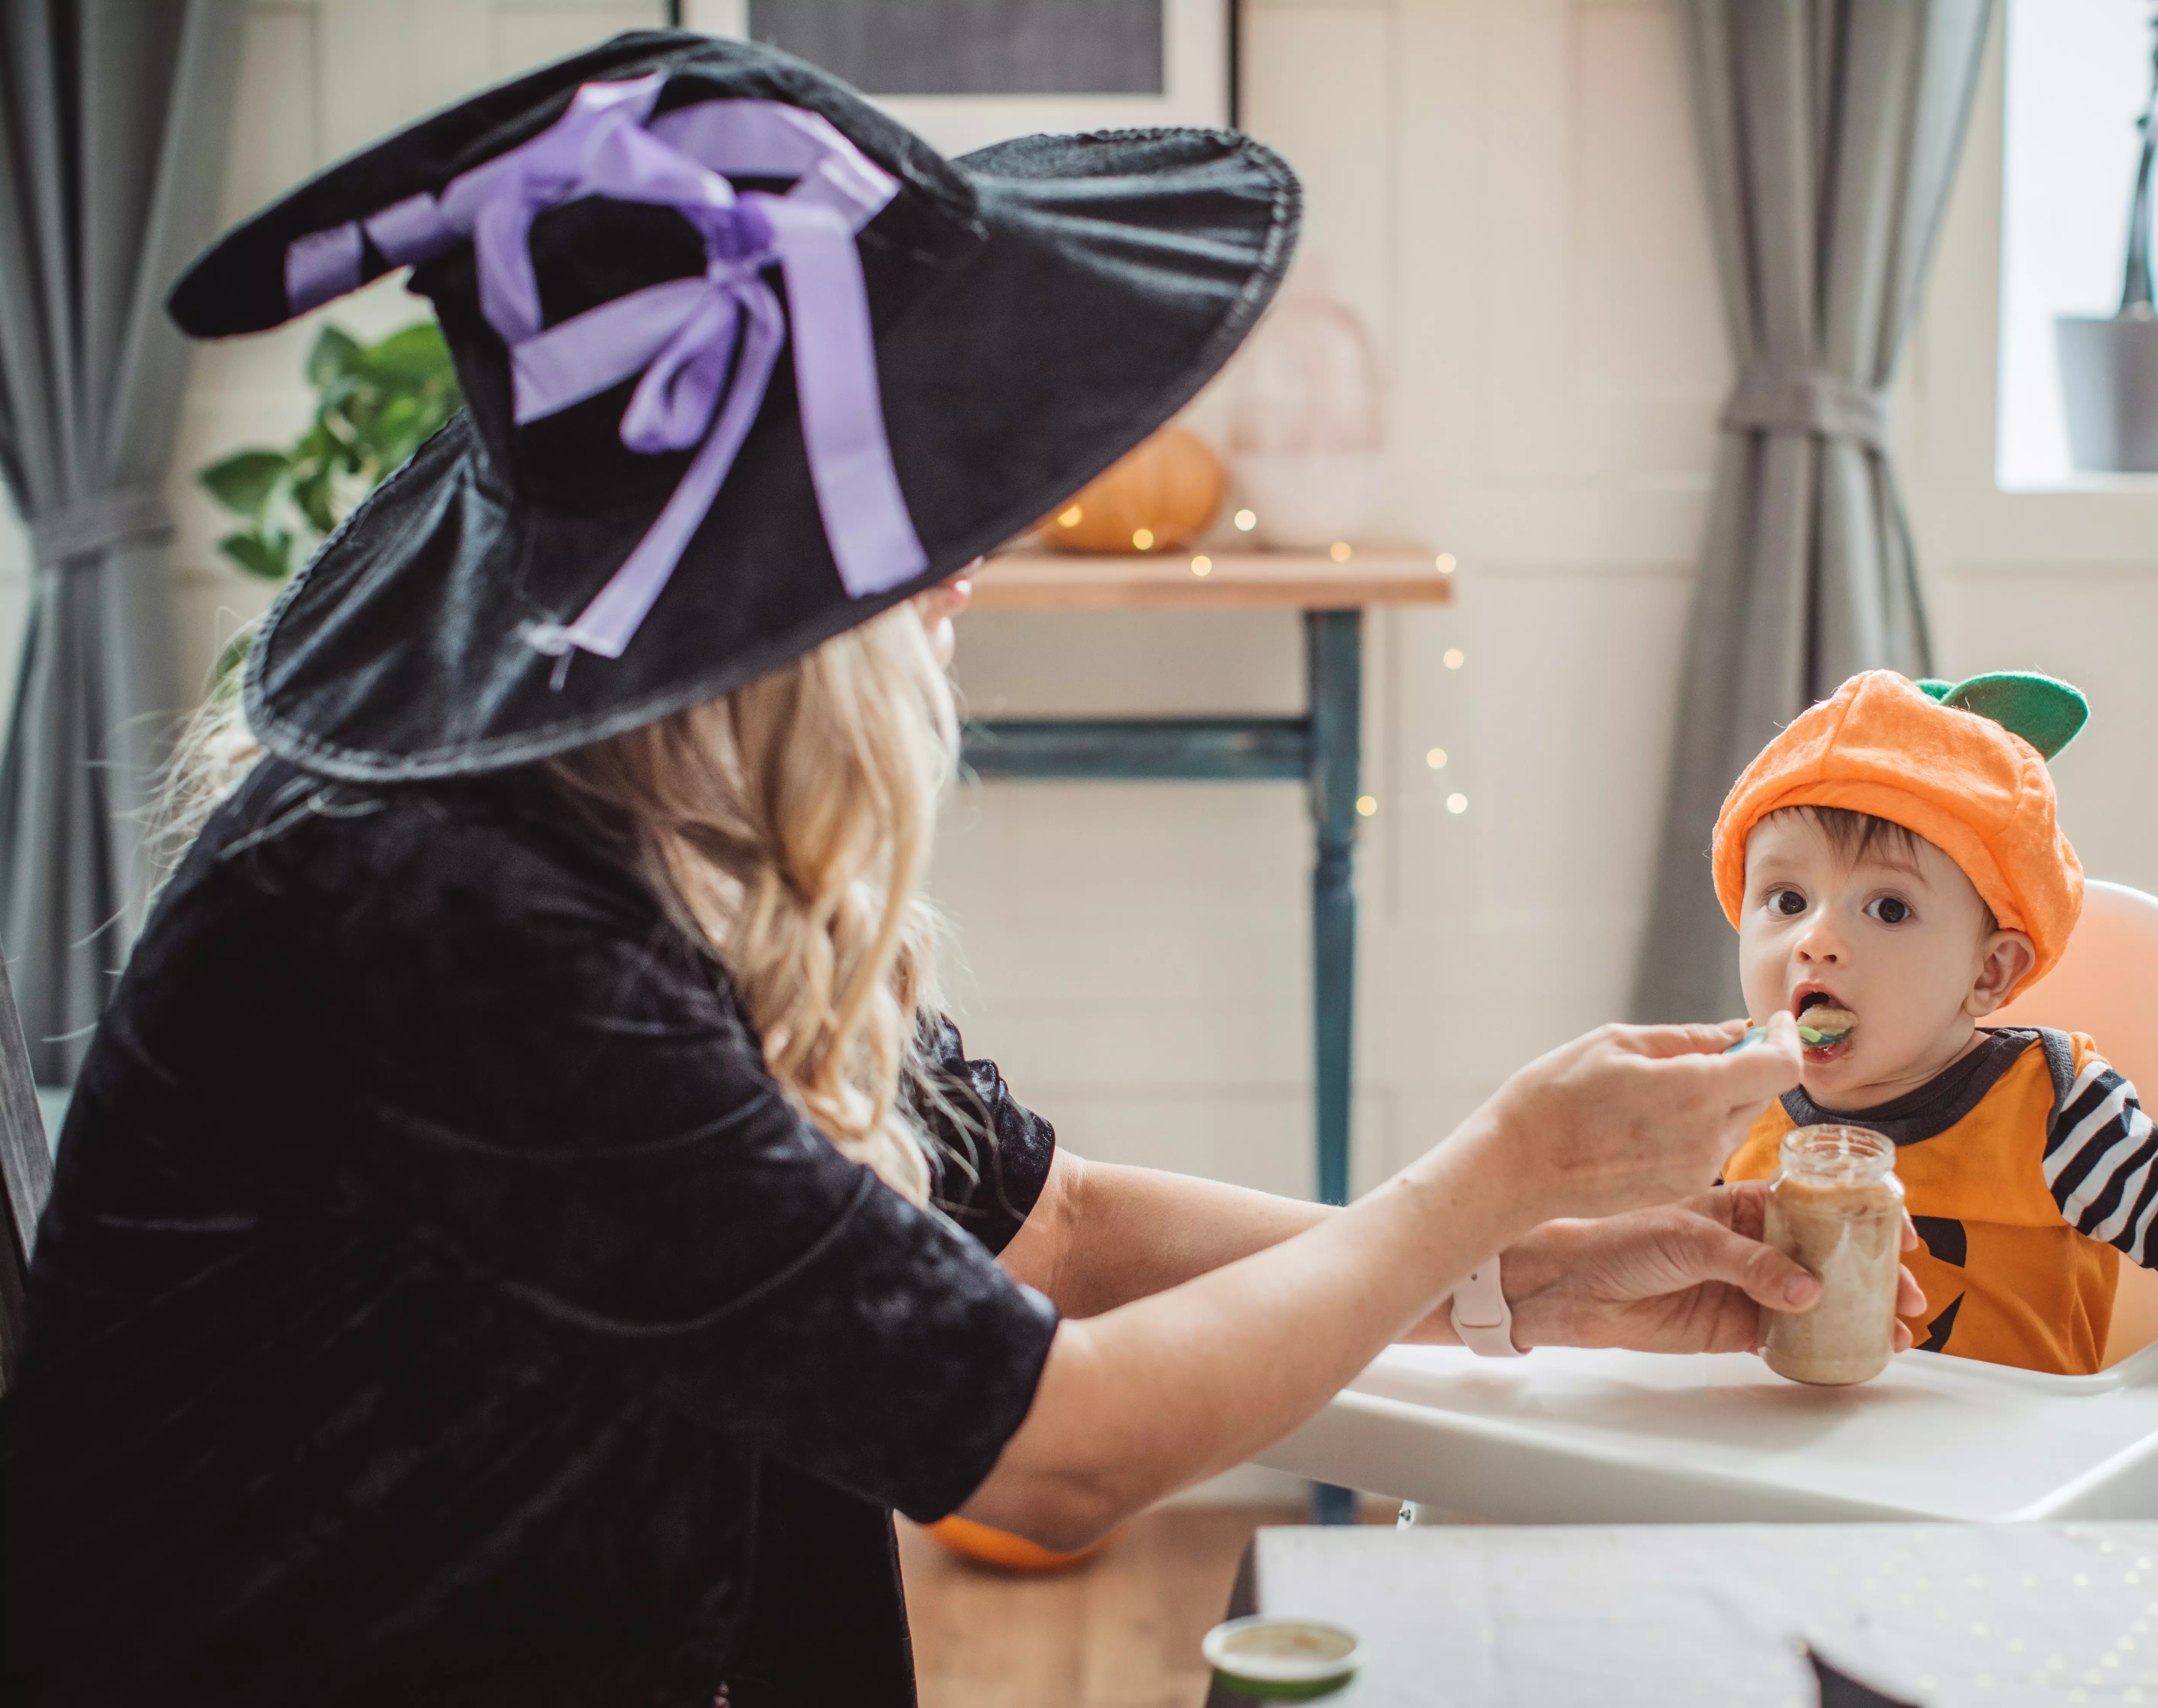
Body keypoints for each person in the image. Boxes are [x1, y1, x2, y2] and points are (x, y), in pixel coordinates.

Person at [0, 33, 1917, 1707]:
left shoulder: (636, 839)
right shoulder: (445, 919)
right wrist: (1484, 1173)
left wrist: (1531, 1275)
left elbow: (1051, 1226)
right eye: (933, 492)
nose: (976, 557)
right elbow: (1048, 1453)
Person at [1712, 669, 2158, 1446]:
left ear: (1989, 971)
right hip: (1772, 1461)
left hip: (2007, 1475)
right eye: (1787, 901)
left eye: (1889, 907)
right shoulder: (1728, 1092)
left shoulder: (2049, 1111)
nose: (1814, 939)